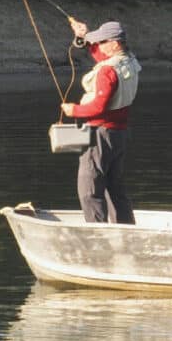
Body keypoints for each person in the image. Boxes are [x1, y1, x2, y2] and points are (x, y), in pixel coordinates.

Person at [60, 18, 141, 224]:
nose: (99, 46)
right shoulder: (129, 60)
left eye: (102, 42)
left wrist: (73, 110)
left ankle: (97, 235)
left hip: (100, 135)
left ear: (115, 43)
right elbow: (100, 55)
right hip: (119, 135)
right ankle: (126, 231)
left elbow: (98, 107)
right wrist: (84, 36)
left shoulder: (107, 71)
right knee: (115, 187)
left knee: (89, 191)